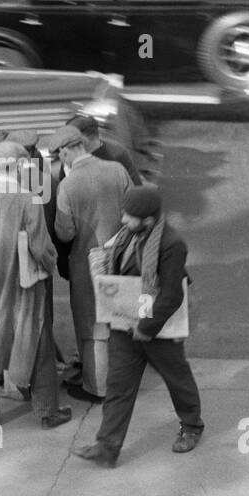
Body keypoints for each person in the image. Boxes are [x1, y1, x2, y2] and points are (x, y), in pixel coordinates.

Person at [74, 184, 204, 468]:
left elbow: (172, 294)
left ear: (147, 220)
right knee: (118, 385)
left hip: (157, 329)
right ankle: (107, 446)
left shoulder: (171, 244)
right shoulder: (127, 235)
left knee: (177, 379)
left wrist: (146, 328)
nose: (123, 220)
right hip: (125, 326)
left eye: (129, 216)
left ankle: (192, 426)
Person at [0, 142, 72, 432]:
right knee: (37, 342)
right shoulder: (28, 200)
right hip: (24, 286)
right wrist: (49, 265)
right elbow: (42, 248)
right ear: (21, 165)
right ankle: (47, 412)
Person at [48, 124, 132, 403]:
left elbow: (65, 232)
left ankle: (98, 388)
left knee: (93, 327)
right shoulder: (116, 170)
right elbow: (135, 207)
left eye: (61, 156)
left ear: (65, 151)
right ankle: (123, 381)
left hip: (87, 263)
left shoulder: (68, 186)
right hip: (120, 258)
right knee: (120, 320)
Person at [69, 114, 143, 185]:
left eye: (71, 138)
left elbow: (135, 186)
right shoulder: (70, 156)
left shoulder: (117, 154)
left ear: (84, 137)